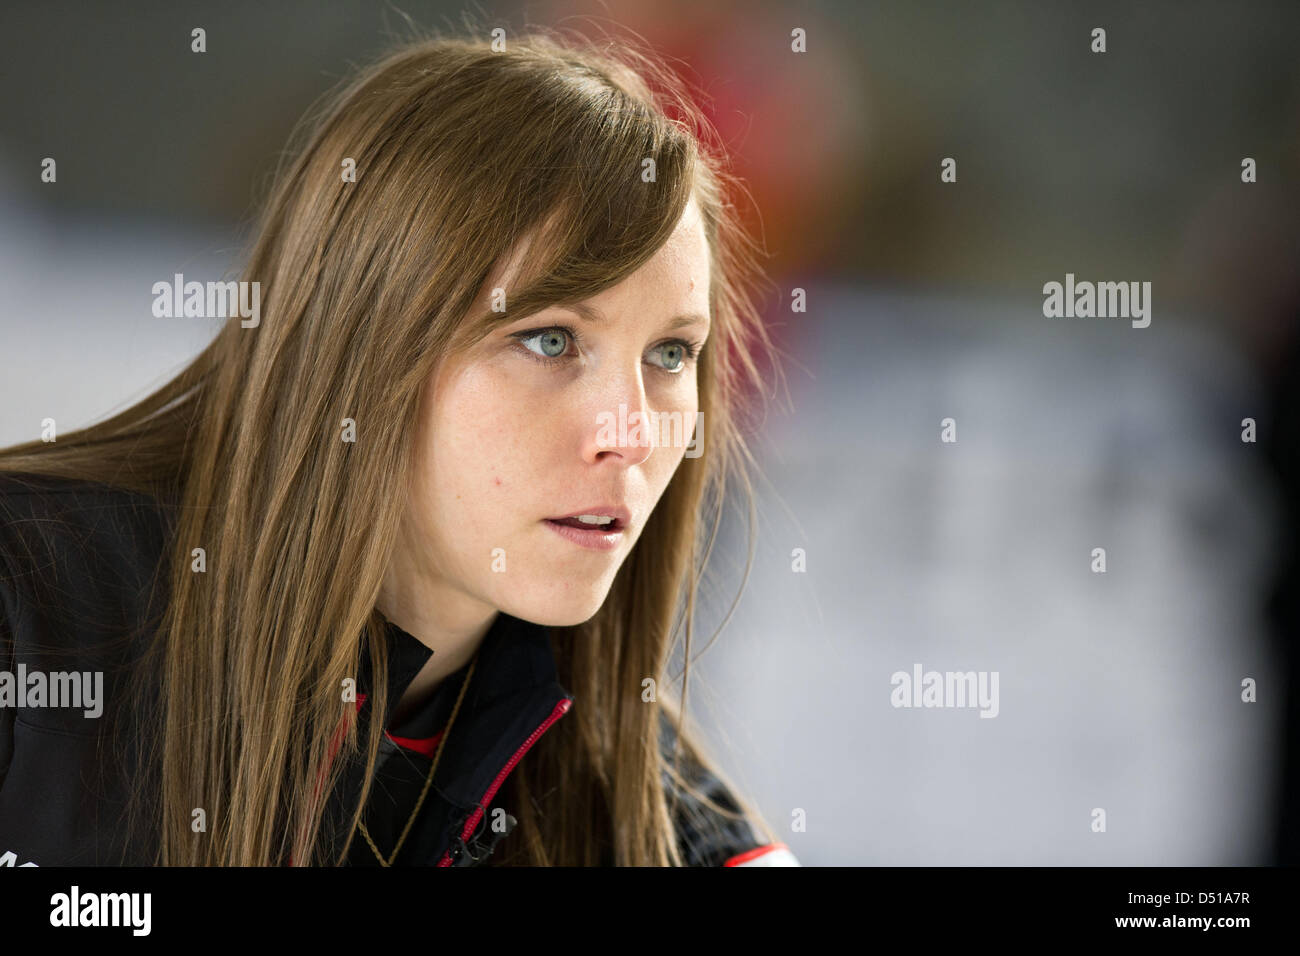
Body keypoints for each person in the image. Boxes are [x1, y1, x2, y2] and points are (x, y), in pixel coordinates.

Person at [0, 28, 799, 867]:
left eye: (670, 354)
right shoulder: (28, 604)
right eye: (551, 341)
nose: (632, 435)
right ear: (362, 342)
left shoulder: (637, 791)